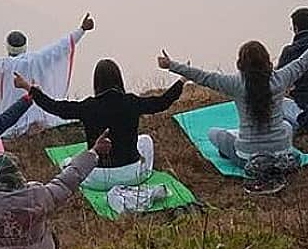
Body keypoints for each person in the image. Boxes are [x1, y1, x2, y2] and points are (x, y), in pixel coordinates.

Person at [159, 27, 308, 165]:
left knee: (213, 133)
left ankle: (241, 155)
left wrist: (171, 65)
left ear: (241, 62)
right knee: (286, 125)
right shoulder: (281, 78)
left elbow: (203, 77)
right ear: (267, 60)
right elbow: (303, 62)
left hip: (248, 156)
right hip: (282, 151)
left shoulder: (235, 84)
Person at [15, 60, 184, 190]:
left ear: (96, 82)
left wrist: (29, 88)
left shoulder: (88, 106)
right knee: (145, 140)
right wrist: (182, 80)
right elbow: (163, 102)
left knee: (67, 163)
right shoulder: (131, 102)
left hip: (96, 179)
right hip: (133, 175)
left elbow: (56, 107)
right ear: (119, 79)